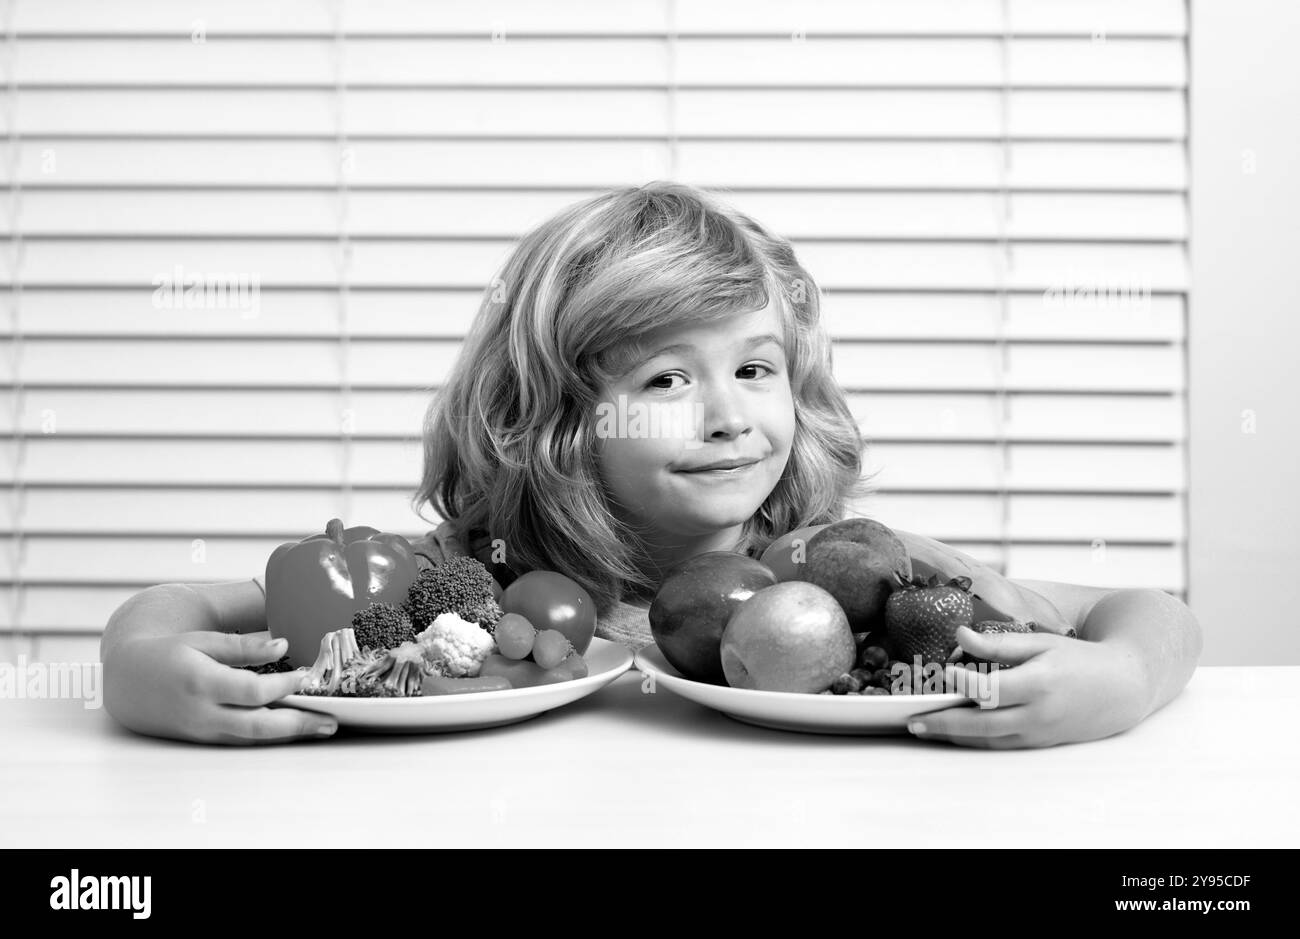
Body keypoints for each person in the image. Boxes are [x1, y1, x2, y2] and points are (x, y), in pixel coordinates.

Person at [100, 181, 1202, 748]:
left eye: (757, 371)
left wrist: (1125, 679)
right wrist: (140, 669)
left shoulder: (859, 578)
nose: (729, 419)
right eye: (667, 381)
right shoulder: (463, 581)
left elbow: (1145, 609)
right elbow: (185, 606)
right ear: (553, 417)